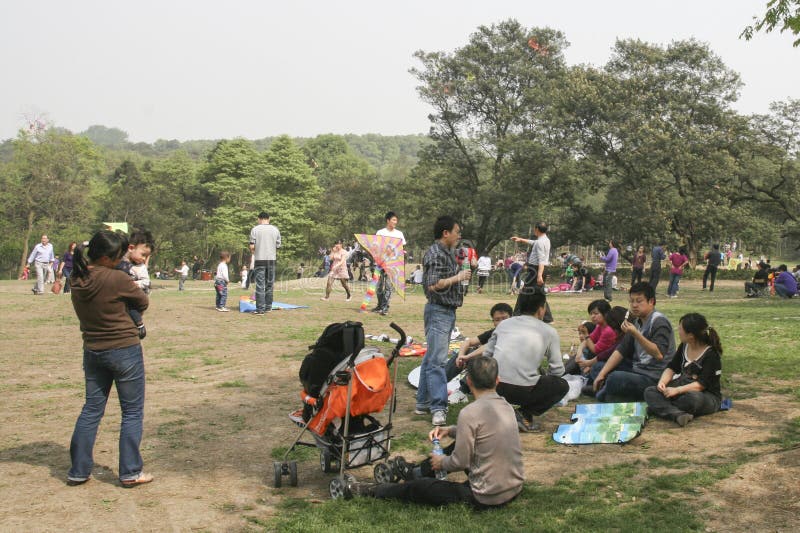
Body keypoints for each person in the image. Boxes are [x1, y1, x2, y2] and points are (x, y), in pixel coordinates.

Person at [361, 357, 523, 508]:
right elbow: (484, 432)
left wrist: (441, 462)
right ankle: (416, 472)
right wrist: (450, 430)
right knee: (460, 445)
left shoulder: (470, 413)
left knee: (420, 488)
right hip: (513, 489)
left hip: (485, 497)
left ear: (469, 381)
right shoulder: (506, 407)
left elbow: (460, 462)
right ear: (497, 380)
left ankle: (370, 490)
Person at [66, 230, 153, 487]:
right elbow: (142, 302)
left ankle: (78, 471)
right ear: (105, 257)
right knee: (132, 412)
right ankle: (130, 472)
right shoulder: (117, 278)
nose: (119, 260)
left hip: (93, 350)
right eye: (116, 256)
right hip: (124, 350)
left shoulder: (77, 277)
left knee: (91, 410)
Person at [484, 291, 568, 431]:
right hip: (523, 391)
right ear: (542, 309)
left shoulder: (503, 325)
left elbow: (487, 356)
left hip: (494, 387)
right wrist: (545, 375)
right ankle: (523, 414)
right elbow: (558, 370)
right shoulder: (549, 331)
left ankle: (501, 410)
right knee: (561, 385)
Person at [416, 216, 471, 426]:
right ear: (445, 233)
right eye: (456, 231)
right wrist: (458, 277)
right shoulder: (435, 253)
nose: (459, 236)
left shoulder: (446, 253)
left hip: (446, 311)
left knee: (431, 357)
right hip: (438, 311)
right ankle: (438, 407)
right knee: (438, 361)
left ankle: (422, 402)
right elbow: (433, 284)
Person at [593, 282, 675, 402]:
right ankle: (610, 393)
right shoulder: (637, 321)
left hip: (654, 376)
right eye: (631, 301)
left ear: (651, 301)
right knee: (598, 368)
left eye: (639, 301)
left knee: (615, 378)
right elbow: (621, 350)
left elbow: (659, 354)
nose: (634, 305)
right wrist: (601, 374)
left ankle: (607, 393)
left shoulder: (659, 322)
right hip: (636, 369)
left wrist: (636, 334)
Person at [644, 313, 723, 427]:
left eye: (680, 328)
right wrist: (662, 382)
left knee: (692, 399)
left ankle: (661, 408)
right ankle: (677, 414)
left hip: (705, 395)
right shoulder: (684, 346)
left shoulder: (711, 355)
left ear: (691, 335)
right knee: (650, 392)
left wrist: (677, 390)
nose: (678, 330)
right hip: (681, 388)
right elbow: (672, 367)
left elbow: (701, 385)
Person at [446, 302, 513, 381]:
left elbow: (488, 347)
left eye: (504, 318)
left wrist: (467, 357)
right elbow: (468, 342)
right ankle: (440, 381)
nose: (502, 322)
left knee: (481, 360)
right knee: (467, 351)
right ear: (493, 322)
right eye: (497, 320)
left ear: (512, 318)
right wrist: (460, 357)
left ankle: (465, 388)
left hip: (507, 368)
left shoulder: (514, 332)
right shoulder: (494, 331)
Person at [511, 222, 553, 323]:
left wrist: (539, 276)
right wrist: (521, 239)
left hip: (536, 269)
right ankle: (547, 317)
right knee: (539, 292)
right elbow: (533, 242)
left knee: (526, 290)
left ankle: (516, 314)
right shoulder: (545, 240)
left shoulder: (540, 242)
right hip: (540, 268)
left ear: (537, 229)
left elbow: (541, 260)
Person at [117, 230, 154, 339]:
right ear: (131, 248)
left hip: (134, 297)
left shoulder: (140, 267)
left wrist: (132, 283)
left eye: (146, 257)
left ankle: (139, 324)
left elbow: (146, 282)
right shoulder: (118, 261)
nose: (143, 259)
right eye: (143, 255)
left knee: (131, 308)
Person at [249, 211, 281, 315]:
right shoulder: (275, 230)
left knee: (260, 285)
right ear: (269, 219)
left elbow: (252, 246)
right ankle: (268, 307)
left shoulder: (255, 229)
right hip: (271, 260)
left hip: (259, 260)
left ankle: (260, 309)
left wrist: (256, 252)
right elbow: (278, 245)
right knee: (269, 284)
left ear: (259, 219)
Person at [374, 211, 406, 315]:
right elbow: (375, 246)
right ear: (388, 221)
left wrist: (401, 252)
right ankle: (379, 305)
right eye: (393, 220)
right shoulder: (380, 232)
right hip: (380, 262)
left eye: (396, 220)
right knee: (378, 286)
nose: (395, 222)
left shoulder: (399, 234)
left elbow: (402, 247)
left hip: (392, 264)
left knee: (388, 286)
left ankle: (385, 307)